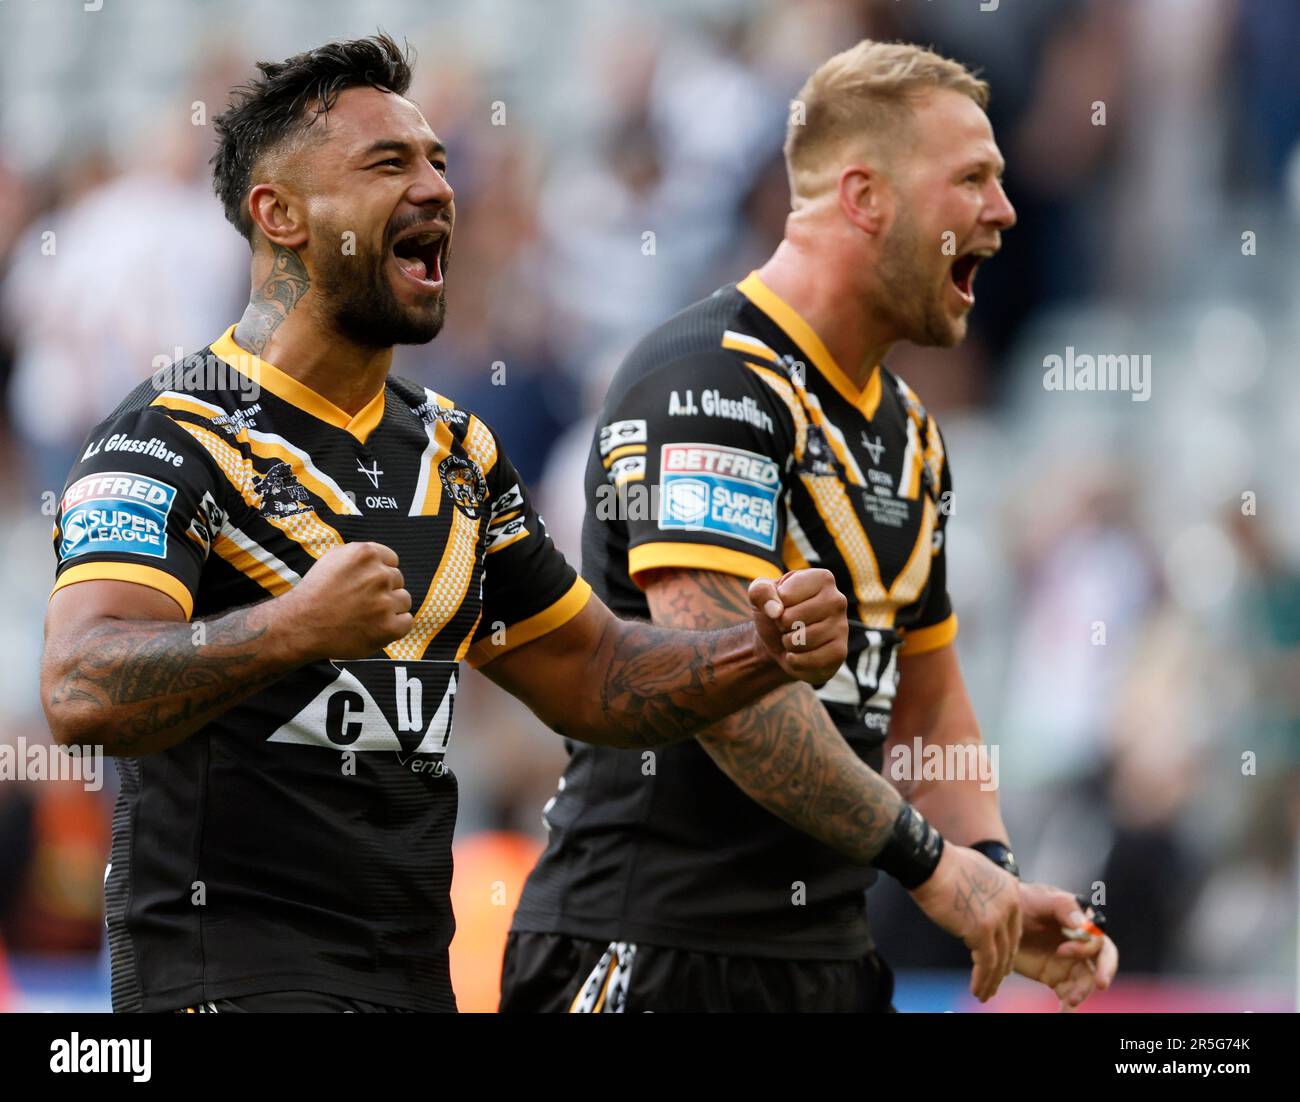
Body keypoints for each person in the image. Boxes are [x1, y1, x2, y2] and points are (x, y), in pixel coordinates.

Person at [38, 34, 859, 1015]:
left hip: (414, 985)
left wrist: (756, 649)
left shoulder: (454, 453)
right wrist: (290, 629)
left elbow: (596, 674)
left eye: (436, 160)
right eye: (389, 163)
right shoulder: (169, 433)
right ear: (281, 213)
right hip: (228, 984)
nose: (438, 187)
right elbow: (81, 684)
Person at [504, 39, 1117, 1013]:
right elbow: (727, 692)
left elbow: (926, 703)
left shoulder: (912, 432)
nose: (1003, 211)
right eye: (972, 179)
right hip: (652, 949)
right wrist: (932, 866)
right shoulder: (708, 382)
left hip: (829, 961)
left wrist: (990, 869)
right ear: (866, 198)